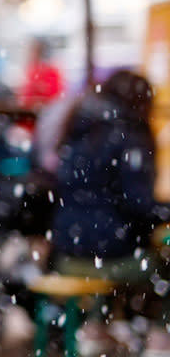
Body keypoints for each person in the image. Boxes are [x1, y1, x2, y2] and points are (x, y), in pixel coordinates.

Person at [51, 70, 170, 356]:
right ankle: (159, 340)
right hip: (108, 257)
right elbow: (139, 206)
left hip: (66, 254)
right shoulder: (130, 135)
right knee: (159, 264)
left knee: (114, 248)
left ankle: (96, 330)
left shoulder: (78, 128)